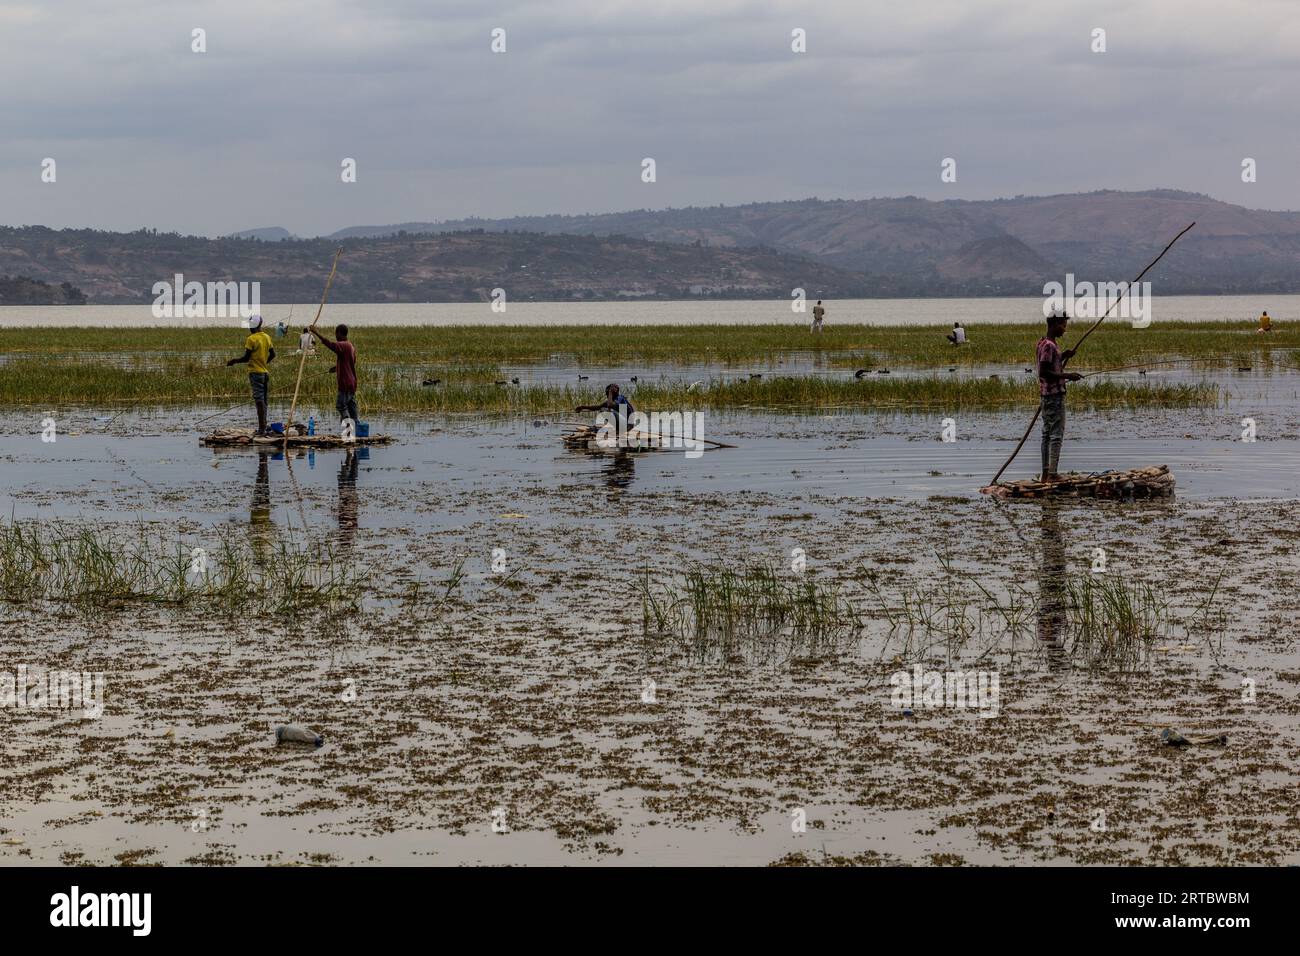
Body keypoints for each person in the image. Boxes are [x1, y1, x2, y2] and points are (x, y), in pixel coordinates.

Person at [1037, 310, 1083, 482]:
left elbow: (1051, 363)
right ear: (1055, 325)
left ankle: (1045, 474)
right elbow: (1044, 371)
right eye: (1063, 325)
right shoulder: (1049, 345)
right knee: (1055, 434)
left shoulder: (1044, 343)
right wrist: (1067, 376)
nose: (1064, 329)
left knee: (1047, 434)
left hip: (1047, 395)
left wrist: (1065, 355)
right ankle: (1053, 474)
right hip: (1054, 395)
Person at [226, 314, 275, 436]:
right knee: (264, 400)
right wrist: (264, 363)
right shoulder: (267, 337)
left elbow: (246, 358)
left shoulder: (251, 339)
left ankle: (262, 429)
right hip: (264, 373)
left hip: (255, 373)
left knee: (259, 401)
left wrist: (234, 361)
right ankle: (264, 425)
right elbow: (273, 354)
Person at [310, 323, 359, 428]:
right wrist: (336, 368)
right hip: (352, 383)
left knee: (341, 405)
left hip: (345, 384)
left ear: (340, 333)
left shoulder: (343, 345)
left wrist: (316, 332)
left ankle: (349, 430)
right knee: (352, 409)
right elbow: (350, 363)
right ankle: (358, 431)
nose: (336, 337)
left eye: (336, 334)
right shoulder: (350, 346)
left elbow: (330, 345)